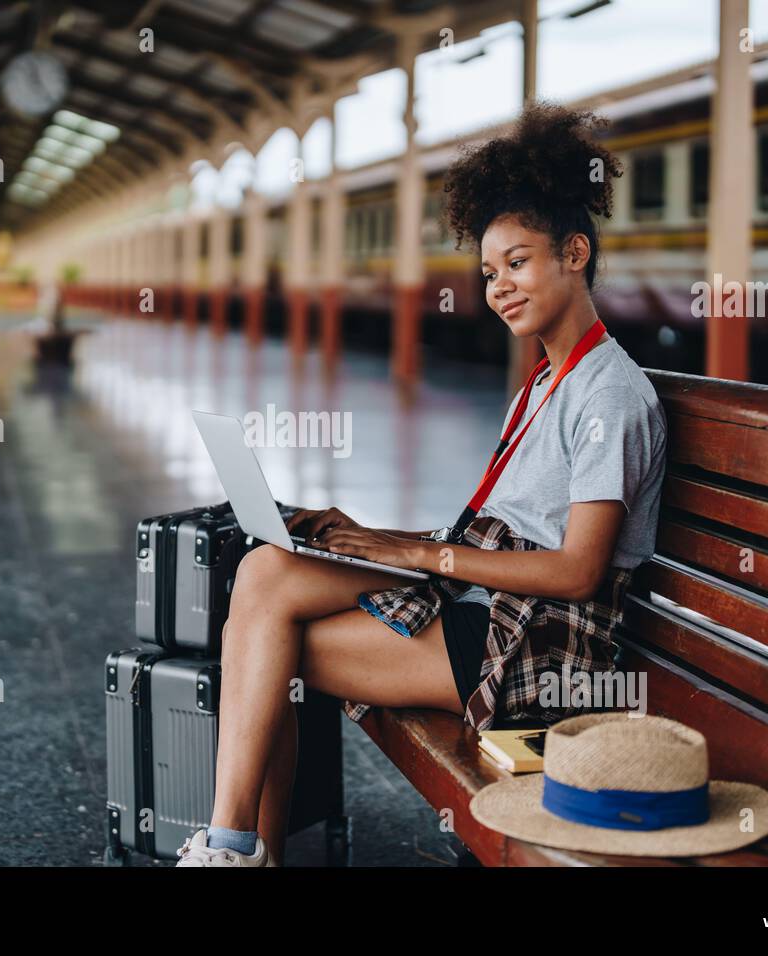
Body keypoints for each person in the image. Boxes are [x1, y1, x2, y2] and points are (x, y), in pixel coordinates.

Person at [174, 102, 668, 867]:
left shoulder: (609, 394)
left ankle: (239, 848)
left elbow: (577, 571)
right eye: (488, 272)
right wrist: (379, 538)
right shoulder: (545, 383)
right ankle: (239, 845)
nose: (498, 286)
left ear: (575, 253)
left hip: (537, 644)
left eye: (518, 262)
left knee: (269, 641)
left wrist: (422, 559)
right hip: (486, 606)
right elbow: (495, 530)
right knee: (266, 571)